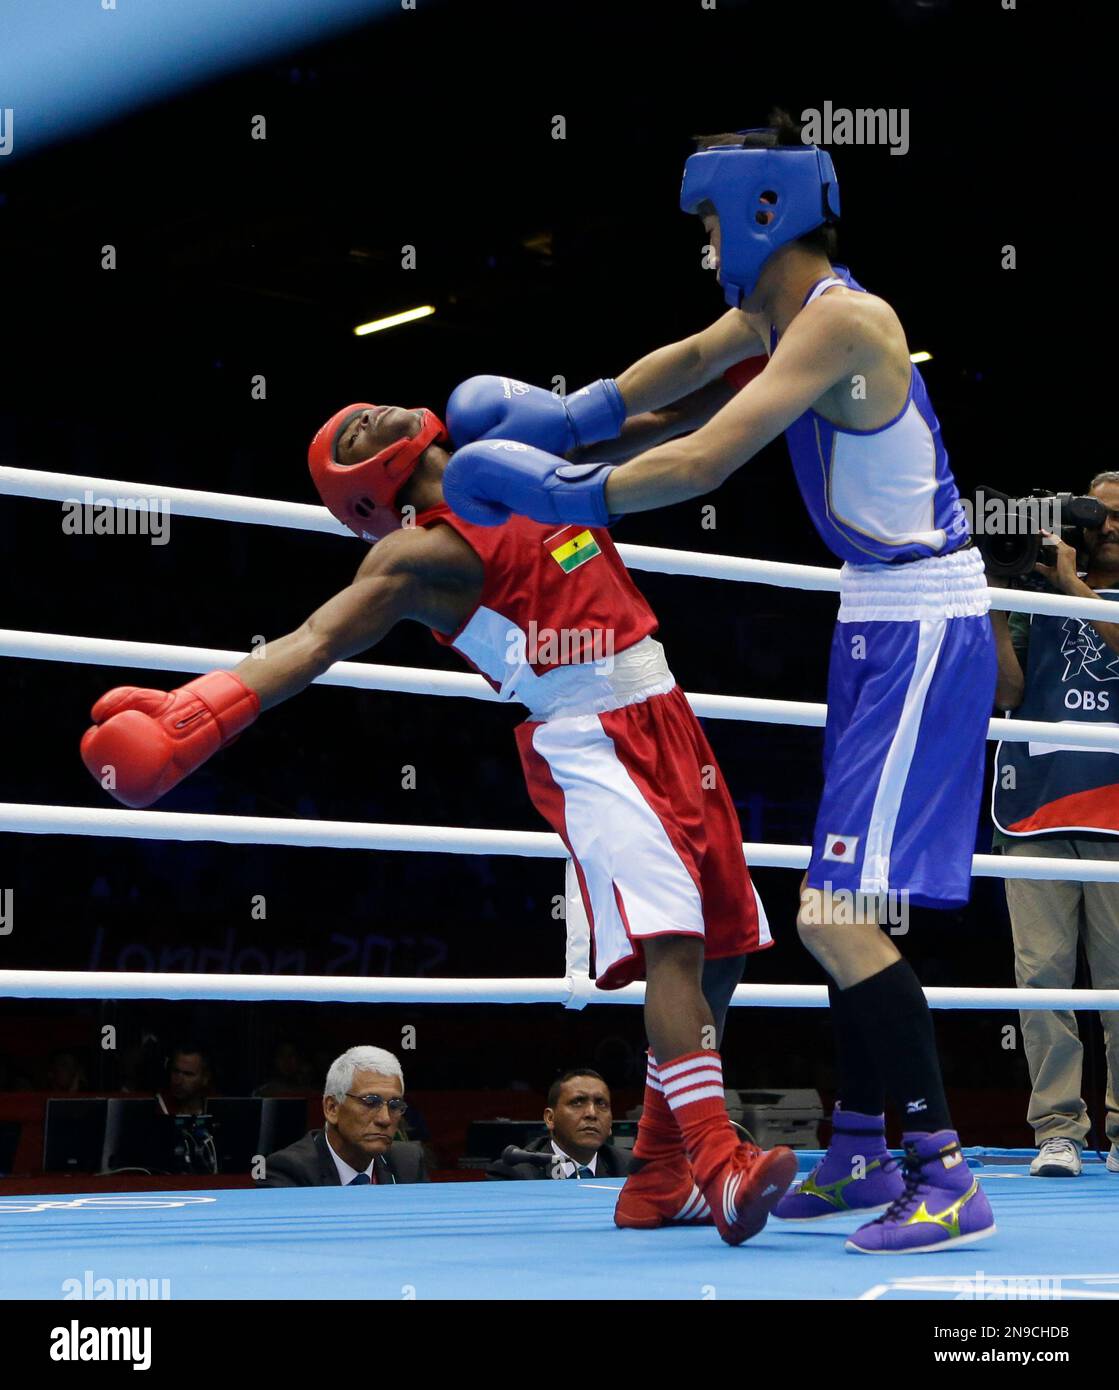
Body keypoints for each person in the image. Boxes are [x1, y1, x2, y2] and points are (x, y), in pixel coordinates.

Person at [440, 113, 998, 1253]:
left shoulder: (847, 322)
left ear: (762, 209)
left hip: (925, 620)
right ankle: (856, 1147)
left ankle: (943, 1173)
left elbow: (702, 455)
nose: (702, 246)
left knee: (835, 918)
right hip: (878, 622)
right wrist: (573, 420)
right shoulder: (777, 312)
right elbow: (683, 374)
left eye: (708, 221)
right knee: (852, 903)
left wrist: (555, 488)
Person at [79, 398, 791, 1245]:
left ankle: (657, 1172)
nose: (362, 416)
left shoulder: (515, 453)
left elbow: (646, 420)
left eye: (362, 412)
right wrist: (190, 717)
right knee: (672, 941)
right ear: (365, 496)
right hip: (589, 733)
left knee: (724, 947)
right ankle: (718, 1163)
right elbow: (312, 640)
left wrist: (756, 365)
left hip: (665, 707)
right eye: (344, 436)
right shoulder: (418, 557)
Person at [990, 471, 1119, 1177]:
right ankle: (1057, 1131)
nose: (1108, 526)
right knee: (1040, 979)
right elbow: (1005, 691)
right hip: (1036, 804)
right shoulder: (1032, 593)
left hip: (1116, 811)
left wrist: (1073, 587)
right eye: (1096, 514)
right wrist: (992, 600)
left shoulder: (1068, 588)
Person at [256, 1046, 427, 1187]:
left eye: (394, 1105)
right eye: (370, 1102)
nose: (385, 1119)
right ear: (332, 1108)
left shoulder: (408, 1162)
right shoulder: (289, 1170)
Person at [486, 1069, 633, 1180]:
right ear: (550, 1118)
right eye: (577, 1102)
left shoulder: (632, 1168)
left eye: (601, 1104)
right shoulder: (515, 1174)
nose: (592, 1113)